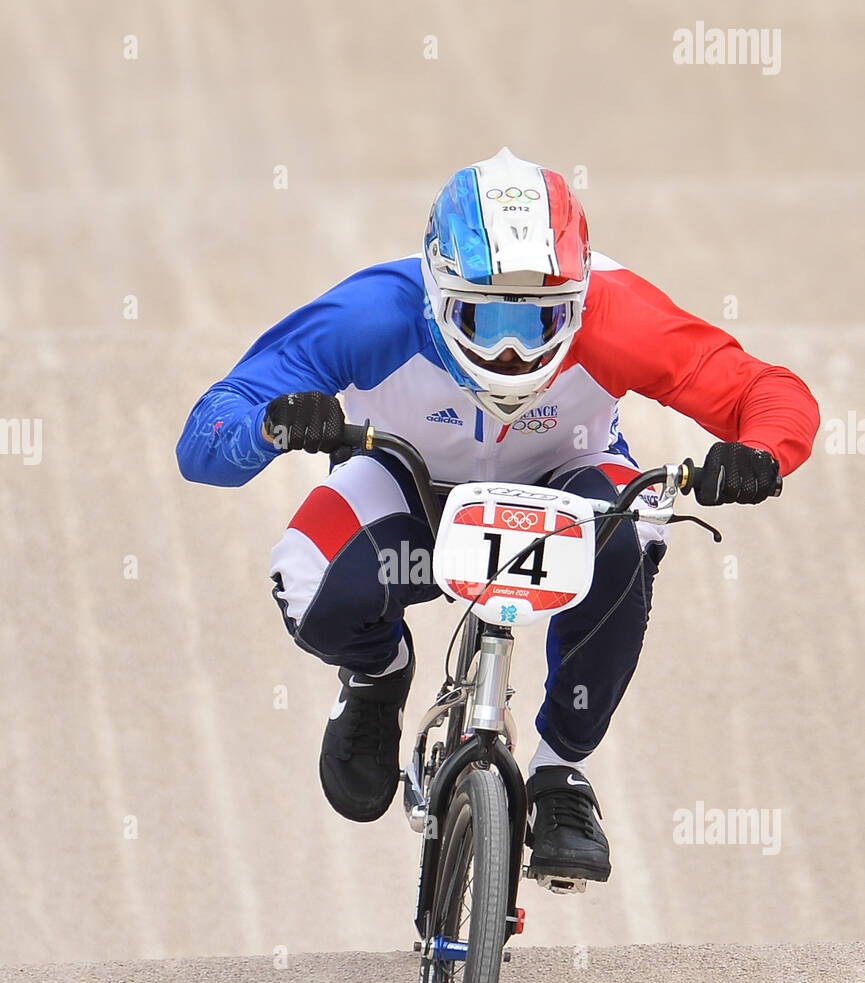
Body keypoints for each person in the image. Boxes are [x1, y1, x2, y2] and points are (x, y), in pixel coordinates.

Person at [176, 147, 819, 884]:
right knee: (307, 578)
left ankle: (558, 773)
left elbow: (765, 390)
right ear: (434, 292)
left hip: (561, 481)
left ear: (577, 300)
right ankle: (377, 674)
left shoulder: (617, 313)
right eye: (482, 320)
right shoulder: (373, 310)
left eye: (540, 319)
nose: (510, 353)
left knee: (632, 530)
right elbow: (206, 434)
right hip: (408, 480)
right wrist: (270, 425)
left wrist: (760, 453)